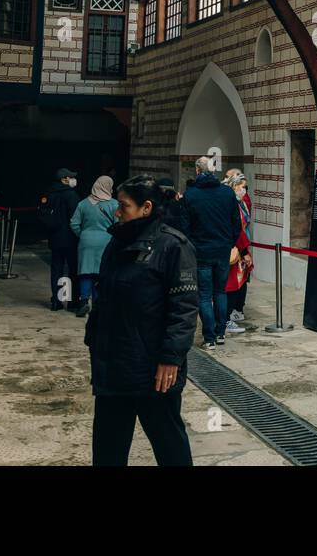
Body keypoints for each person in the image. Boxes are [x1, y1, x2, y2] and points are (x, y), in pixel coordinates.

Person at [86, 176, 197, 467]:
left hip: (153, 368)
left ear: (146, 207)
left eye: (123, 206)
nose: (117, 211)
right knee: (108, 448)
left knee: (169, 444)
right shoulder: (117, 242)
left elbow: (183, 309)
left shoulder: (173, 246)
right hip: (114, 364)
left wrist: (171, 358)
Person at [182, 156, 240, 349]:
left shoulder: (191, 195)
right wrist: (229, 242)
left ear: (197, 171)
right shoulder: (227, 193)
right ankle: (220, 333)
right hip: (222, 249)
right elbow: (236, 223)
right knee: (220, 291)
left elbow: (186, 227)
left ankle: (209, 338)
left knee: (205, 295)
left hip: (201, 251)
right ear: (213, 171)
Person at [70, 175, 118, 317]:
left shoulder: (83, 203)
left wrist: (83, 234)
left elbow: (73, 223)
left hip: (86, 241)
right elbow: (118, 224)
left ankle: (84, 301)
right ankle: (97, 304)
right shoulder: (114, 204)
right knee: (100, 274)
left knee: (85, 273)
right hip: (106, 241)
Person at [39, 168, 80, 311]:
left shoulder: (48, 193)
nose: (73, 179)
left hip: (55, 237)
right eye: (70, 177)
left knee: (57, 269)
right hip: (70, 237)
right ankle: (71, 302)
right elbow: (76, 216)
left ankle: (57, 301)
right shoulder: (71, 195)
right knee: (72, 270)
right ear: (64, 180)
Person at [223, 172, 253, 336]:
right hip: (234, 249)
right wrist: (244, 251)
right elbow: (237, 229)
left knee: (237, 284)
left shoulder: (241, 203)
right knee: (231, 285)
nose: (244, 191)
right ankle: (225, 318)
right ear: (234, 187)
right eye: (242, 187)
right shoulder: (231, 204)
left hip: (240, 247)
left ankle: (227, 316)